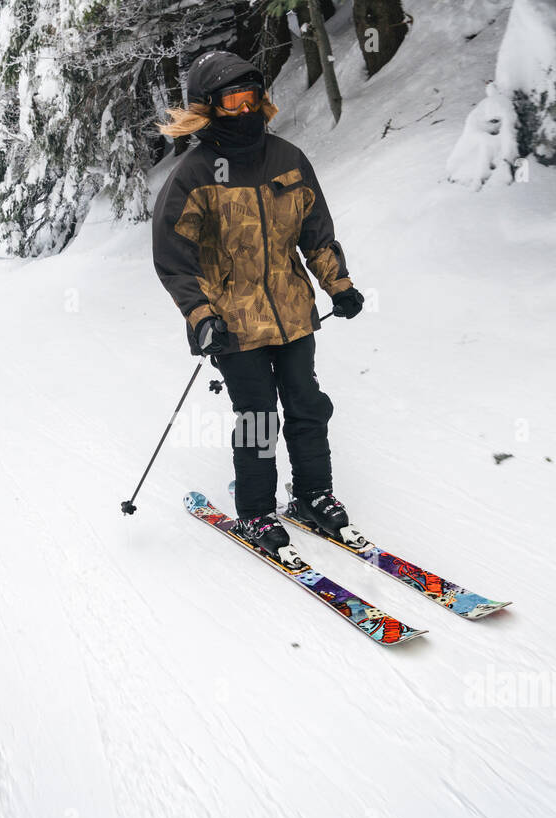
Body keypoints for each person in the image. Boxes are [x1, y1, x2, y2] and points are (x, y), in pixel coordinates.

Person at [151, 50, 365, 561]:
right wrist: (202, 318)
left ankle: (313, 494)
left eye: (252, 97)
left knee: (307, 406)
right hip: (233, 324)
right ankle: (255, 510)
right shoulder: (193, 175)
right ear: (207, 107)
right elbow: (175, 261)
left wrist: (340, 286)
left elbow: (316, 234)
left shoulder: (288, 159)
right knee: (257, 415)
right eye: (233, 99)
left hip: (292, 313)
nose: (246, 109)